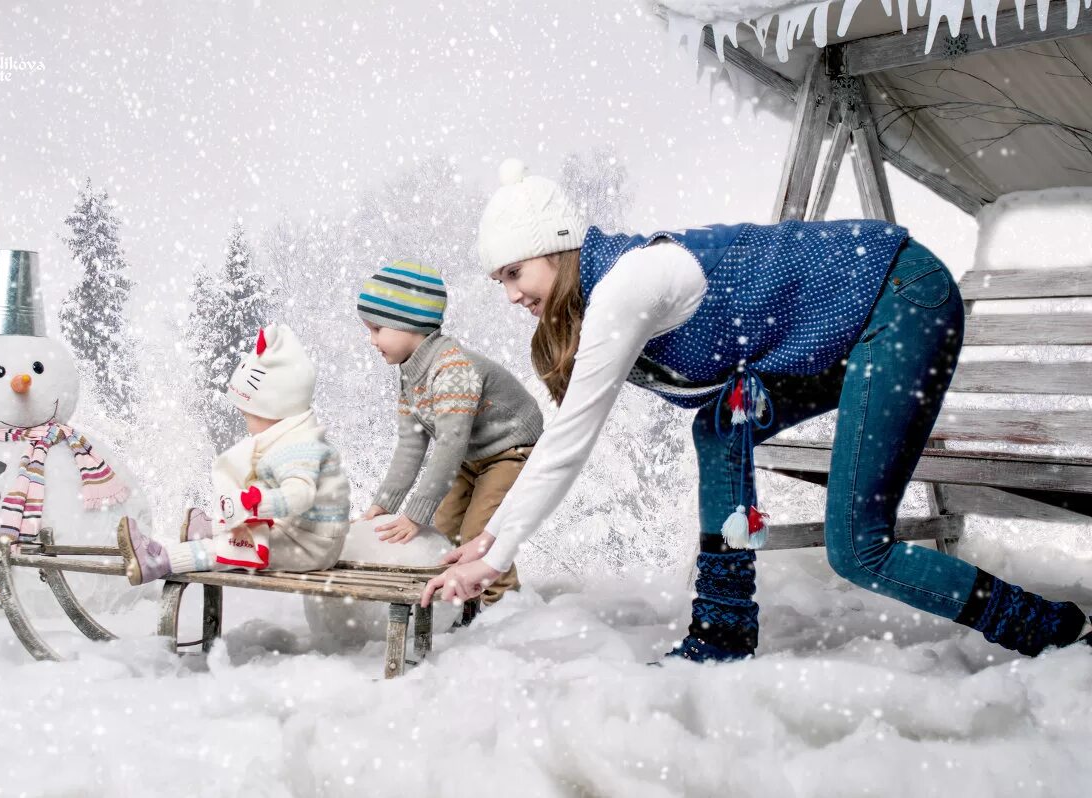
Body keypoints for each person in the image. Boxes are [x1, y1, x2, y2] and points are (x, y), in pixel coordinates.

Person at [422, 158, 1092, 661]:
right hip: (846, 327)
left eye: (514, 273)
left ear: (557, 245)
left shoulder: (627, 285)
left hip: (900, 297)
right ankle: (724, 628)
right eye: (499, 281)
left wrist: (498, 547)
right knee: (718, 427)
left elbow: (572, 438)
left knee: (860, 551)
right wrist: (487, 542)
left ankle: (1057, 631)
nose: (508, 294)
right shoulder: (605, 291)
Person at [358, 259, 543, 604]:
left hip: (510, 450)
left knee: (478, 535)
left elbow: (450, 443)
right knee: (442, 532)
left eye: (376, 329)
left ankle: (505, 610)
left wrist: (414, 512)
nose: (371, 340)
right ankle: (463, 608)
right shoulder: (410, 375)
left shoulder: (452, 369)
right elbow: (411, 445)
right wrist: (385, 504)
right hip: (471, 456)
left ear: (408, 324)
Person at [118, 323, 349, 584]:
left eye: (249, 417)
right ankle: (211, 528)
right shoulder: (289, 435)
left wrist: (254, 501)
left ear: (273, 410)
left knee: (235, 548)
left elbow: (300, 495)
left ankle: (159, 561)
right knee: (246, 526)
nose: (247, 426)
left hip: (309, 546)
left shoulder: (298, 448)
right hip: (299, 532)